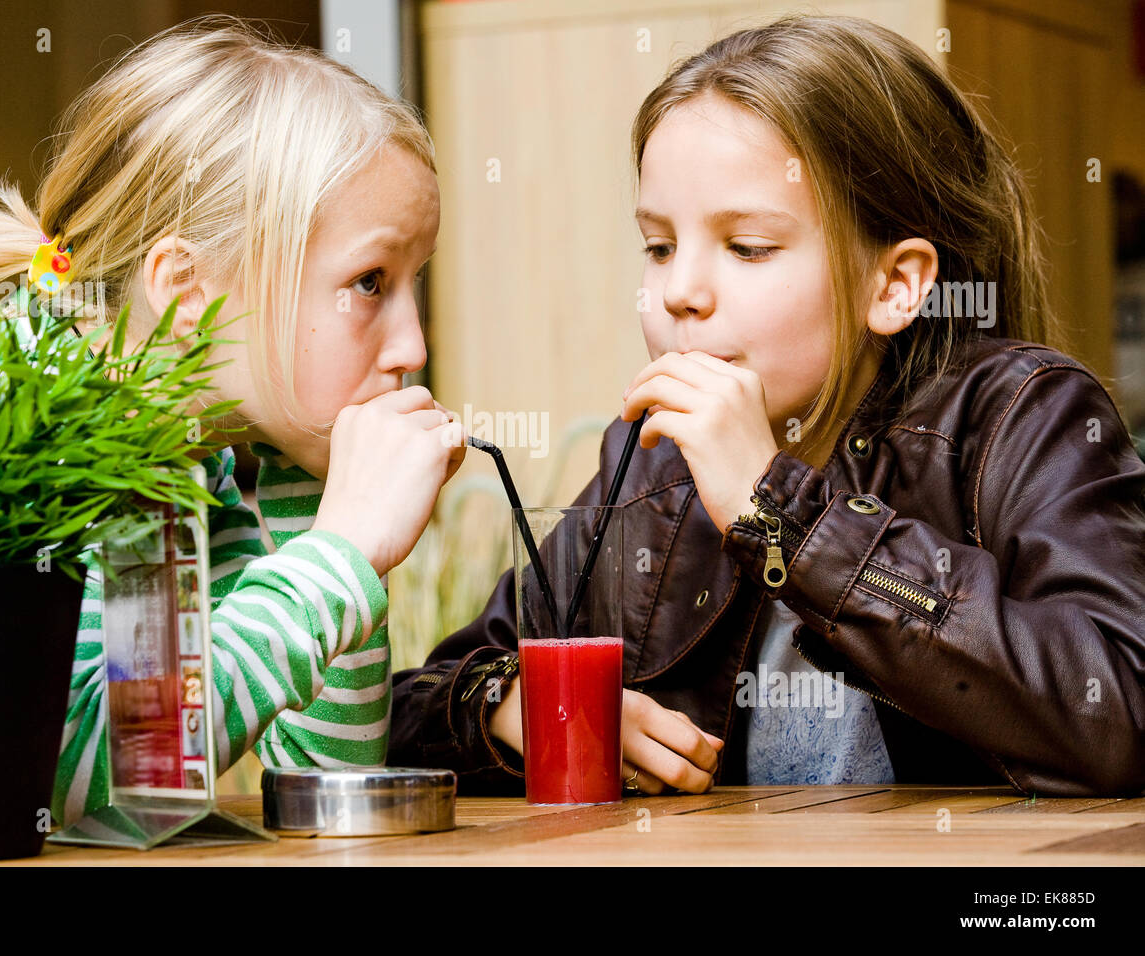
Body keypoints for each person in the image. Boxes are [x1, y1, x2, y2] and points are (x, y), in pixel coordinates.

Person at [388, 14, 1145, 797]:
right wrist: (512, 706)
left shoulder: (1022, 418)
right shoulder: (652, 468)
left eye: (747, 247)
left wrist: (784, 516)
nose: (679, 291)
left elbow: (1120, 715)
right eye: (658, 246)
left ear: (895, 284)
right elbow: (410, 712)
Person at [0, 16, 463, 824]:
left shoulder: (198, 457)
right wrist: (337, 557)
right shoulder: (23, 437)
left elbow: (319, 793)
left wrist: (329, 517)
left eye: (415, 282)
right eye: (371, 281)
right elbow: (102, 787)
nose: (412, 344)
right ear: (187, 290)